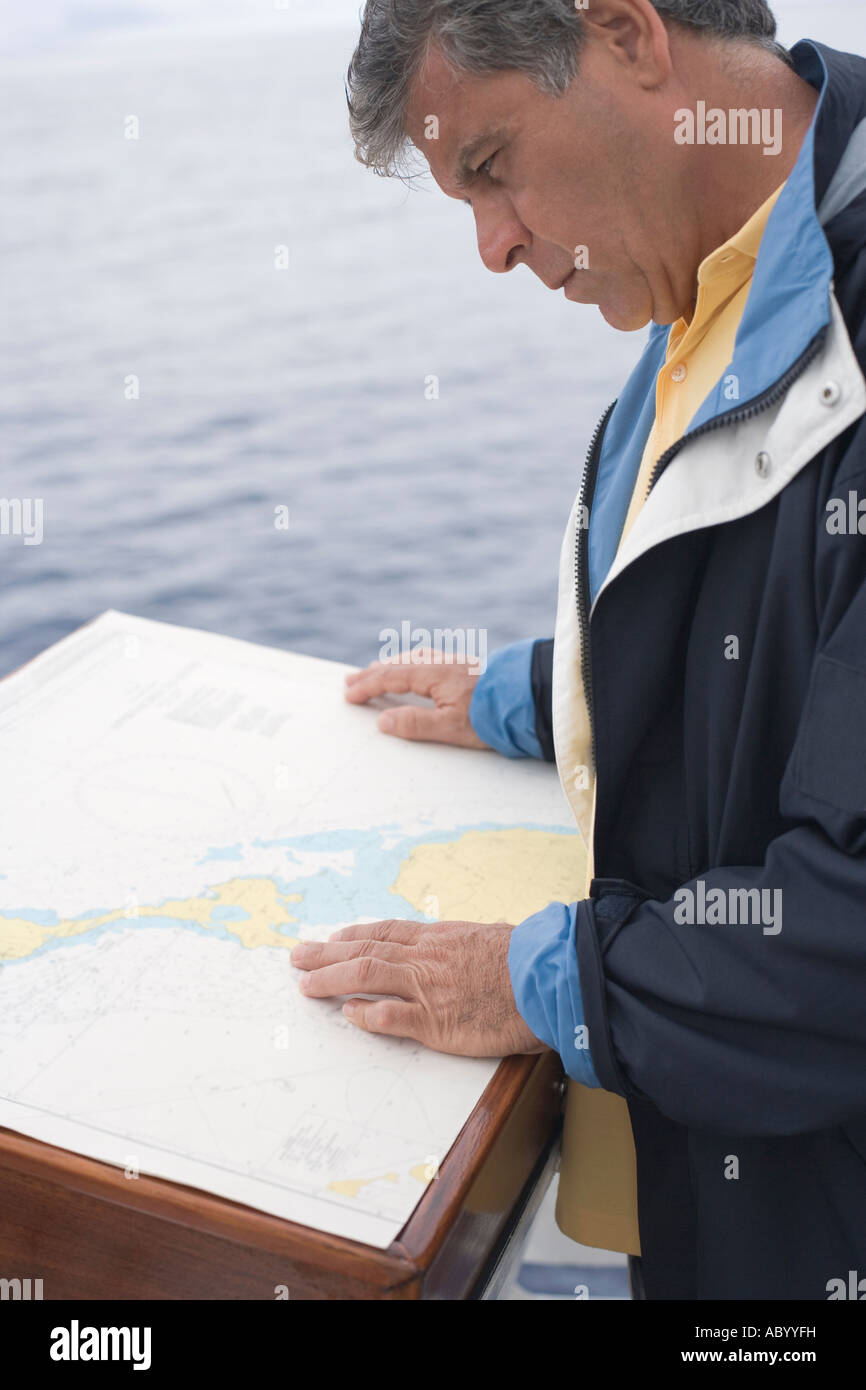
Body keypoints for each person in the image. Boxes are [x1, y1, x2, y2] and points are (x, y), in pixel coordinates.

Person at [290, 0, 866, 1300]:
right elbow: (778, 630)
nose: (491, 248)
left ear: (625, 33)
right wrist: (543, 692)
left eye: (489, 169)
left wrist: (545, 981)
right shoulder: (716, 283)